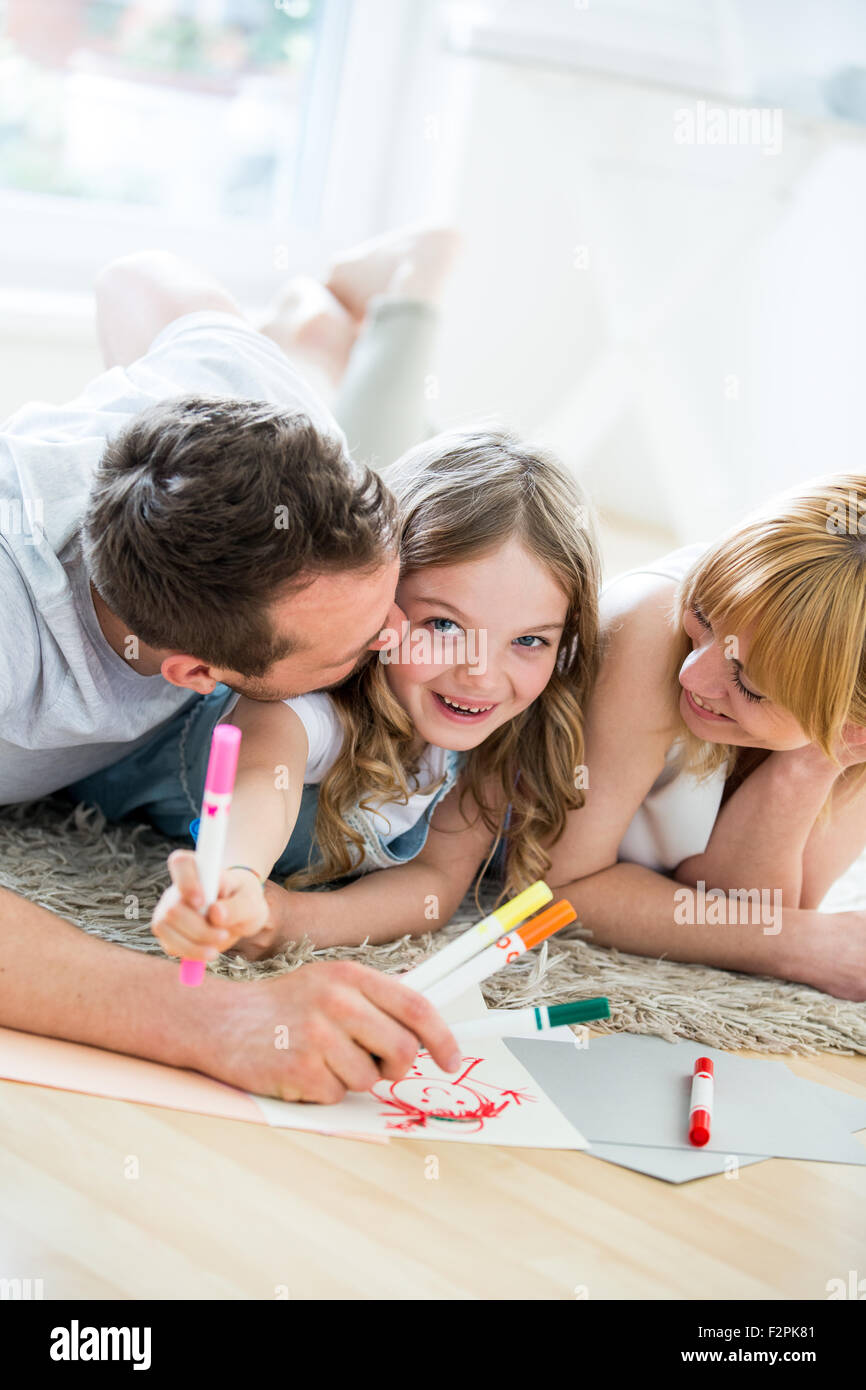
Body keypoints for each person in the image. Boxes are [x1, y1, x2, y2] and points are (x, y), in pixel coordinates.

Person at [0, 231, 474, 1102]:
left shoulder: (247, 402)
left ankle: (325, 311)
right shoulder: (14, 642)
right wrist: (210, 1021)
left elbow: (130, 270)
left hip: (232, 402)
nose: (398, 641)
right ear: (192, 674)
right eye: (353, 643)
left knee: (315, 365)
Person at [73, 429, 599, 964]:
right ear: (380, 602)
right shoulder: (309, 698)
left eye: (529, 640)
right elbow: (260, 779)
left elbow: (434, 882)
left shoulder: (493, 734)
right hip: (94, 757)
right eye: (444, 625)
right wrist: (235, 873)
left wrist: (291, 920)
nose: (482, 677)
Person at [545, 477, 866, 1001]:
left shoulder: (850, 732)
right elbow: (558, 890)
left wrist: (809, 765)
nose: (693, 675)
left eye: (747, 684)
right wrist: (801, 944)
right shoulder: (651, 622)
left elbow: (752, 905)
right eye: (704, 616)